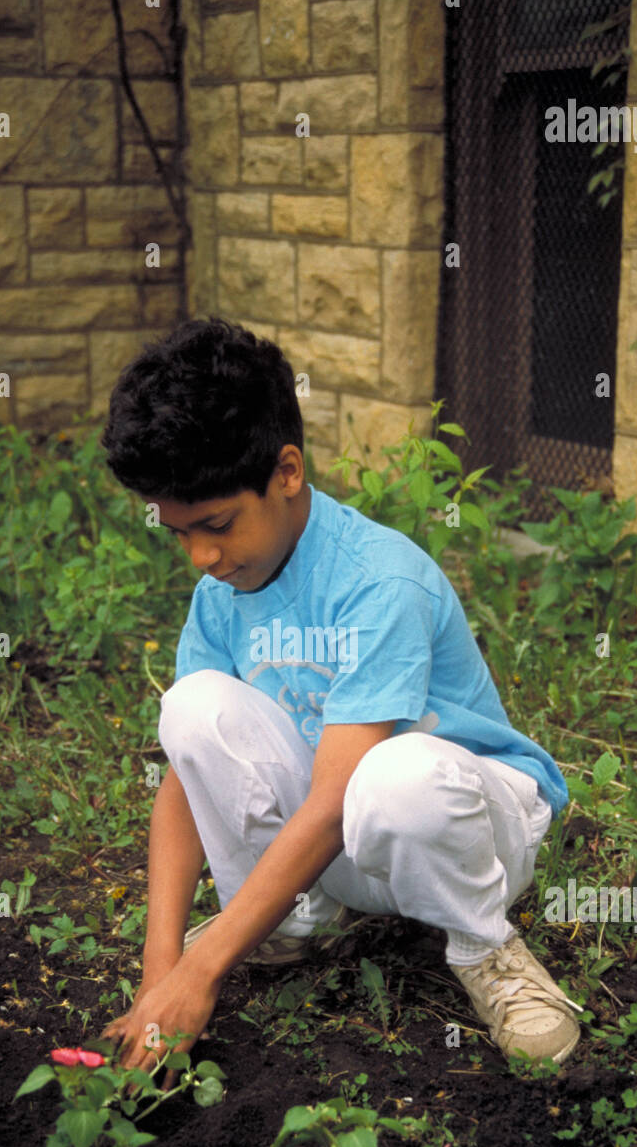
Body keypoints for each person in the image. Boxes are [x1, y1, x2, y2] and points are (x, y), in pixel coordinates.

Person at [99, 316, 582, 1078]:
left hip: (467, 825)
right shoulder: (221, 595)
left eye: (217, 525)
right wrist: (162, 970)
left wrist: (206, 970)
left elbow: (334, 800)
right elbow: (186, 781)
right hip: (353, 840)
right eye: (177, 532)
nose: (201, 555)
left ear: (287, 471)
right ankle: (303, 916)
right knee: (191, 706)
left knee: (393, 776)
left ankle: (487, 947)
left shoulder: (376, 581)